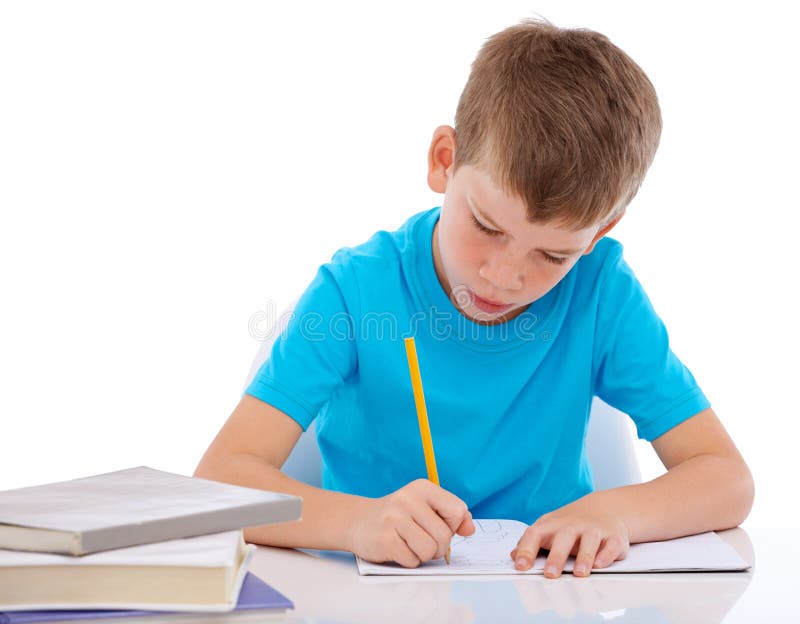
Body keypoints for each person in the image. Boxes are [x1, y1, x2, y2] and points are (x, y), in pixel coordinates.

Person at [195, 18, 754, 579]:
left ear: (599, 232)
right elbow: (219, 480)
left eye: (552, 255)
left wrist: (617, 512)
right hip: (381, 604)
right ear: (445, 160)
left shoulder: (601, 293)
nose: (503, 278)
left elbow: (727, 479)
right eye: (487, 226)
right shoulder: (356, 293)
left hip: (551, 599)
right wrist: (356, 523)